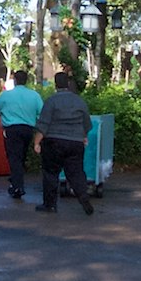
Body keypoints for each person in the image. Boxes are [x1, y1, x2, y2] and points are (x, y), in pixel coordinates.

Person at [36, 71, 95, 216]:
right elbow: (87, 123)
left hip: (54, 141)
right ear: (68, 83)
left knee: (50, 173)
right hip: (75, 142)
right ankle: (83, 197)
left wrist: (37, 142)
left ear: (55, 84)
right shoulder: (79, 101)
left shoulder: (51, 101)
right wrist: (83, 136)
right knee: (76, 173)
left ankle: (50, 205)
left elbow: (43, 124)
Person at [0, 68, 44, 201]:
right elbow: (42, 113)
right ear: (26, 81)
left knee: (14, 157)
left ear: (15, 80)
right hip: (28, 129)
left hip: (12, 130)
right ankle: (17, 178)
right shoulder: (34, 95)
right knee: (21, 156)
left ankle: (17, 186)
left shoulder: (6, 95)